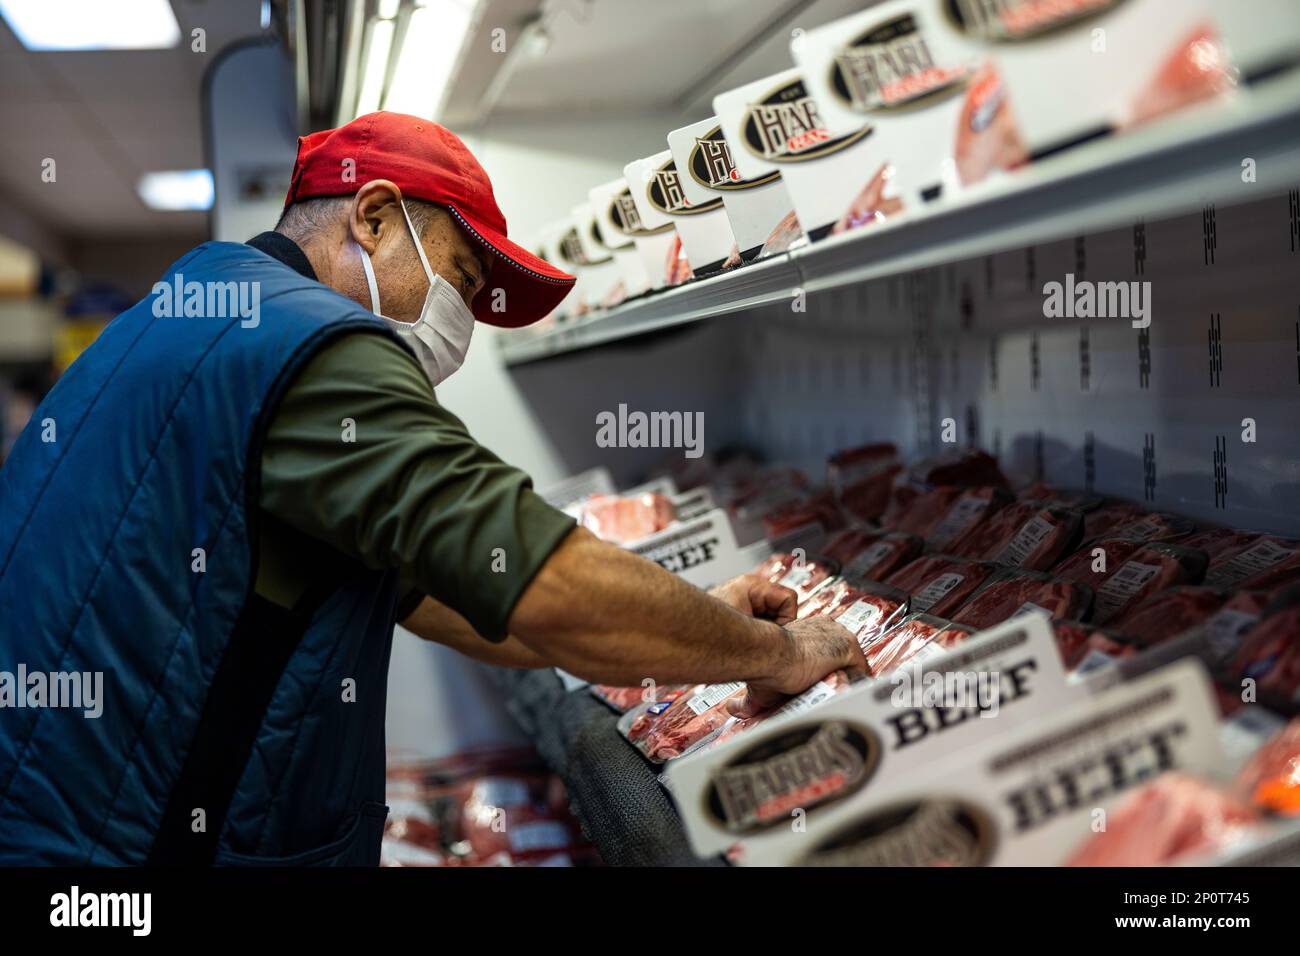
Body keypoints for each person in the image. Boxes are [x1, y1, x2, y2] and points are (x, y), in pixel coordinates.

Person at [0, 112, 864, 866]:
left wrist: (699, 617)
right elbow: (547, 585)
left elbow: (456, 595)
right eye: (460, 279)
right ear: (374, 217)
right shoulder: (308, 348)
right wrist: (779, 655)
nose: (461, 324)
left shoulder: (196, 309)